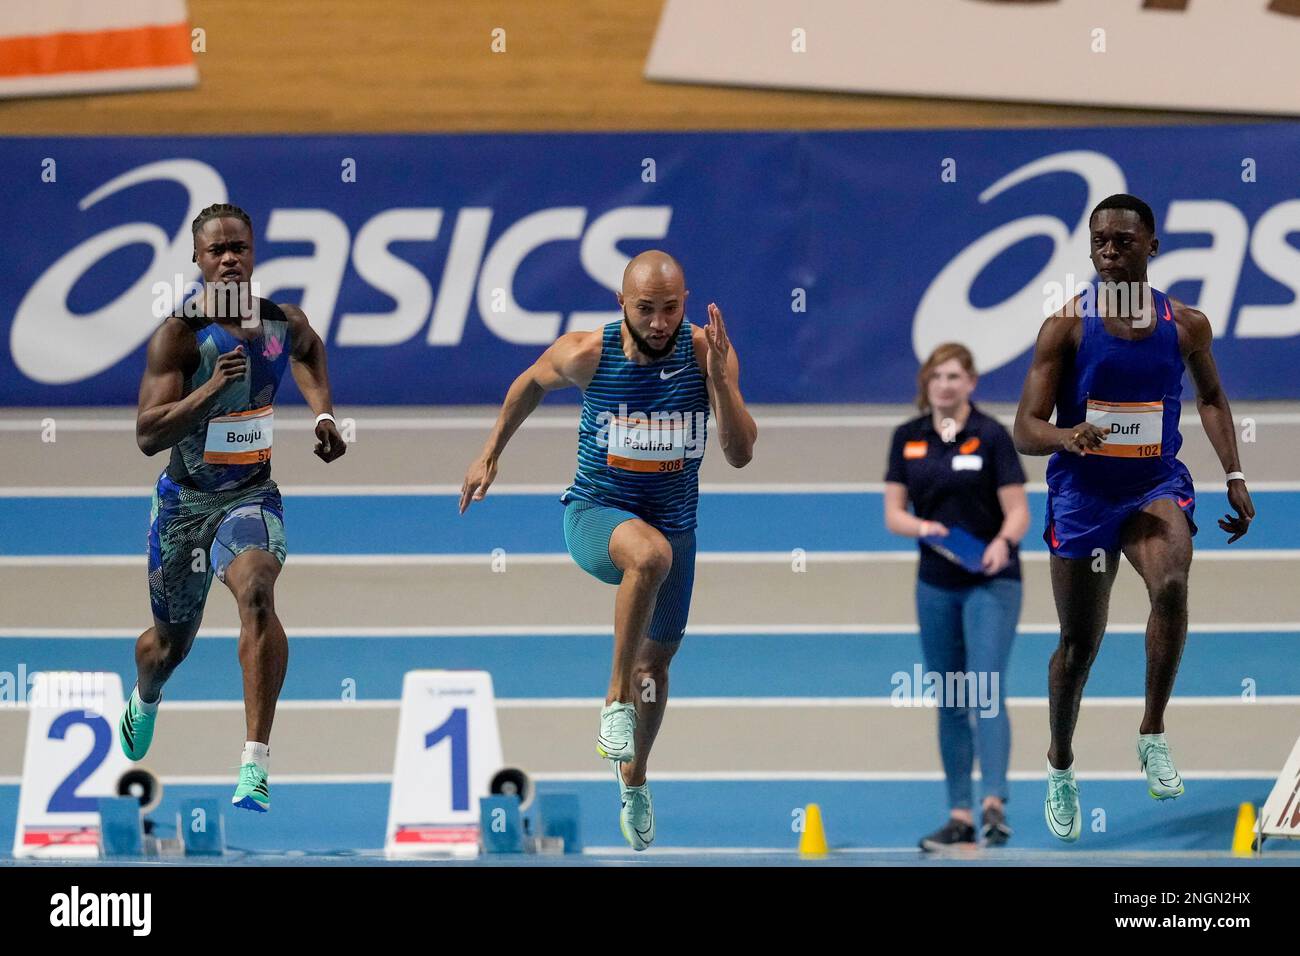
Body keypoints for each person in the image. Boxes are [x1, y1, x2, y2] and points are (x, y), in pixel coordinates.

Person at [460, 251, 756, 850]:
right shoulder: (586, 352)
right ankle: (613, 699)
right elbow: (527, 385)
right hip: (596, 516)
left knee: (657, 668)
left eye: (670, 309)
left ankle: (635, 779)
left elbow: (741, 452)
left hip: (677, 527)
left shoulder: (705, 353)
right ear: (622, 305)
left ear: (686, 302)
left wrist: (722, 380)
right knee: (647, 557)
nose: (658, 322)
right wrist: (490, 451)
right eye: (645, 309)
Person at [1013, 193, 1254, 842]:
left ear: (1152, 246)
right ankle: (1061, 762)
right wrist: (1069, 437)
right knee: (1078, 647)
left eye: (1123, 241)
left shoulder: (1186, 325)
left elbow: (1211, 398)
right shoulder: (1065, 326)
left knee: (1172, 585)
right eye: (1100, 243)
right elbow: (1024, 429)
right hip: (1084, 496)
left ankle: (1151, 730)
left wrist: (1233, 473)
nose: (1110, 252)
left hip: (1152, 484)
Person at [119, 202, 346, 812]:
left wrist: (323, 413)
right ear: (196, 260)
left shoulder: (280, 322)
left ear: (253, 253)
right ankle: (146, 695)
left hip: (251, 496)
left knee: (257, 591)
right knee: (168, 646)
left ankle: (254, 763)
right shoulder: (181, 336)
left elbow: (311, 350)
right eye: (216, 250)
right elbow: (147, 436)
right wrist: (213, 390)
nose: (228, 259)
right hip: (184, 506)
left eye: (238, 248)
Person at [885, 343, 1029, 850]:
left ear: (971, 382)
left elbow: (1018, 511)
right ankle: (960, 814)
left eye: (954, 376)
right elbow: (894, 513)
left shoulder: (990, 436)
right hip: (936, 584)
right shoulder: (908, 438)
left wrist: (1001, 543)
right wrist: (927, 528)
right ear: (926, 383)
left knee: (985, 687)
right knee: (950, 699)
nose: (944, 385)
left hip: (992, 580)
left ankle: (994, 804)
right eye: (936, 376)